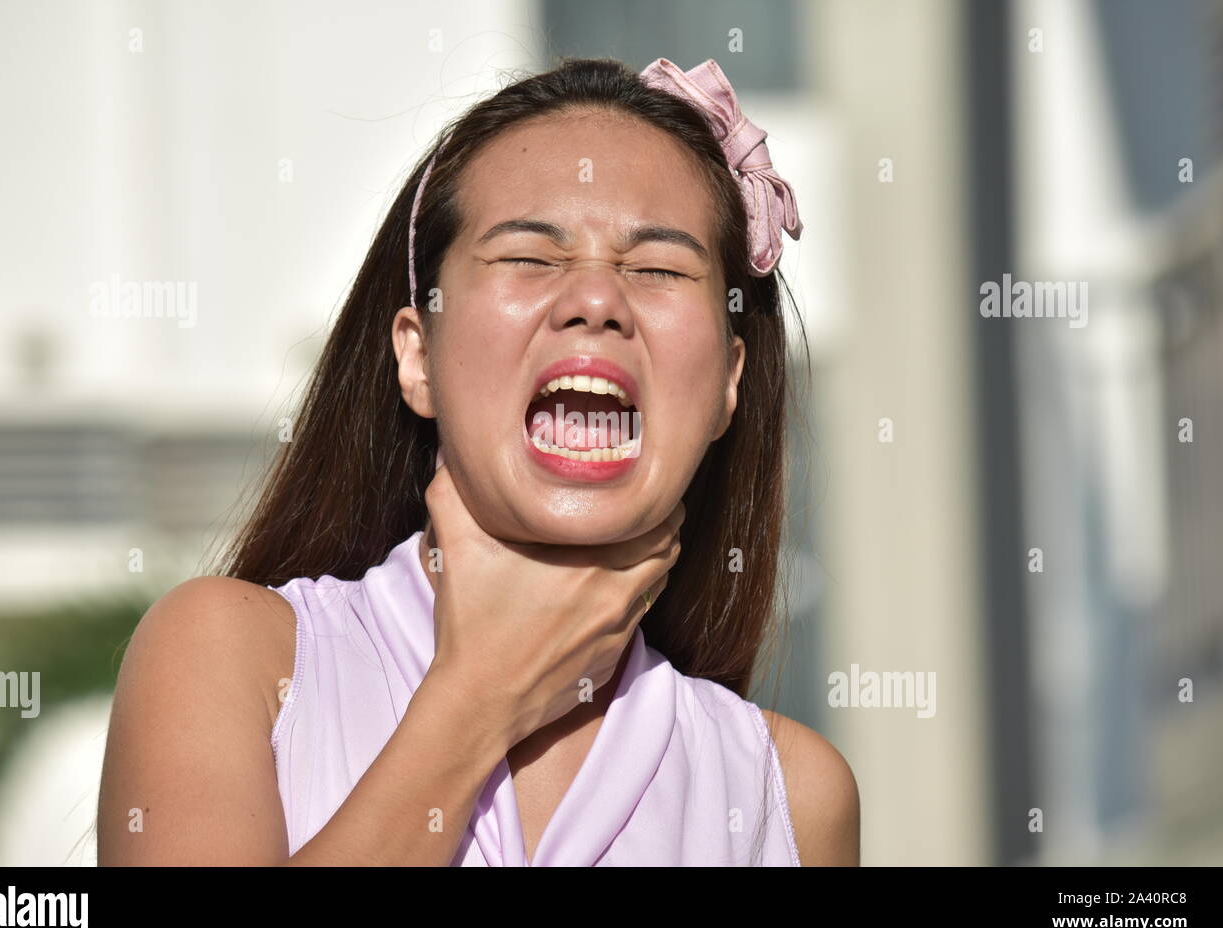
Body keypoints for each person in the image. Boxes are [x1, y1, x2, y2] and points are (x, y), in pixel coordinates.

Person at [96, 56, 859, 866]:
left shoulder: (790, 793)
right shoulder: (228, 656)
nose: (597, 302)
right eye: (530, 257)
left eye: (658, 269)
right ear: (417, 357)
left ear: (728, 386)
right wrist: (479, 697)